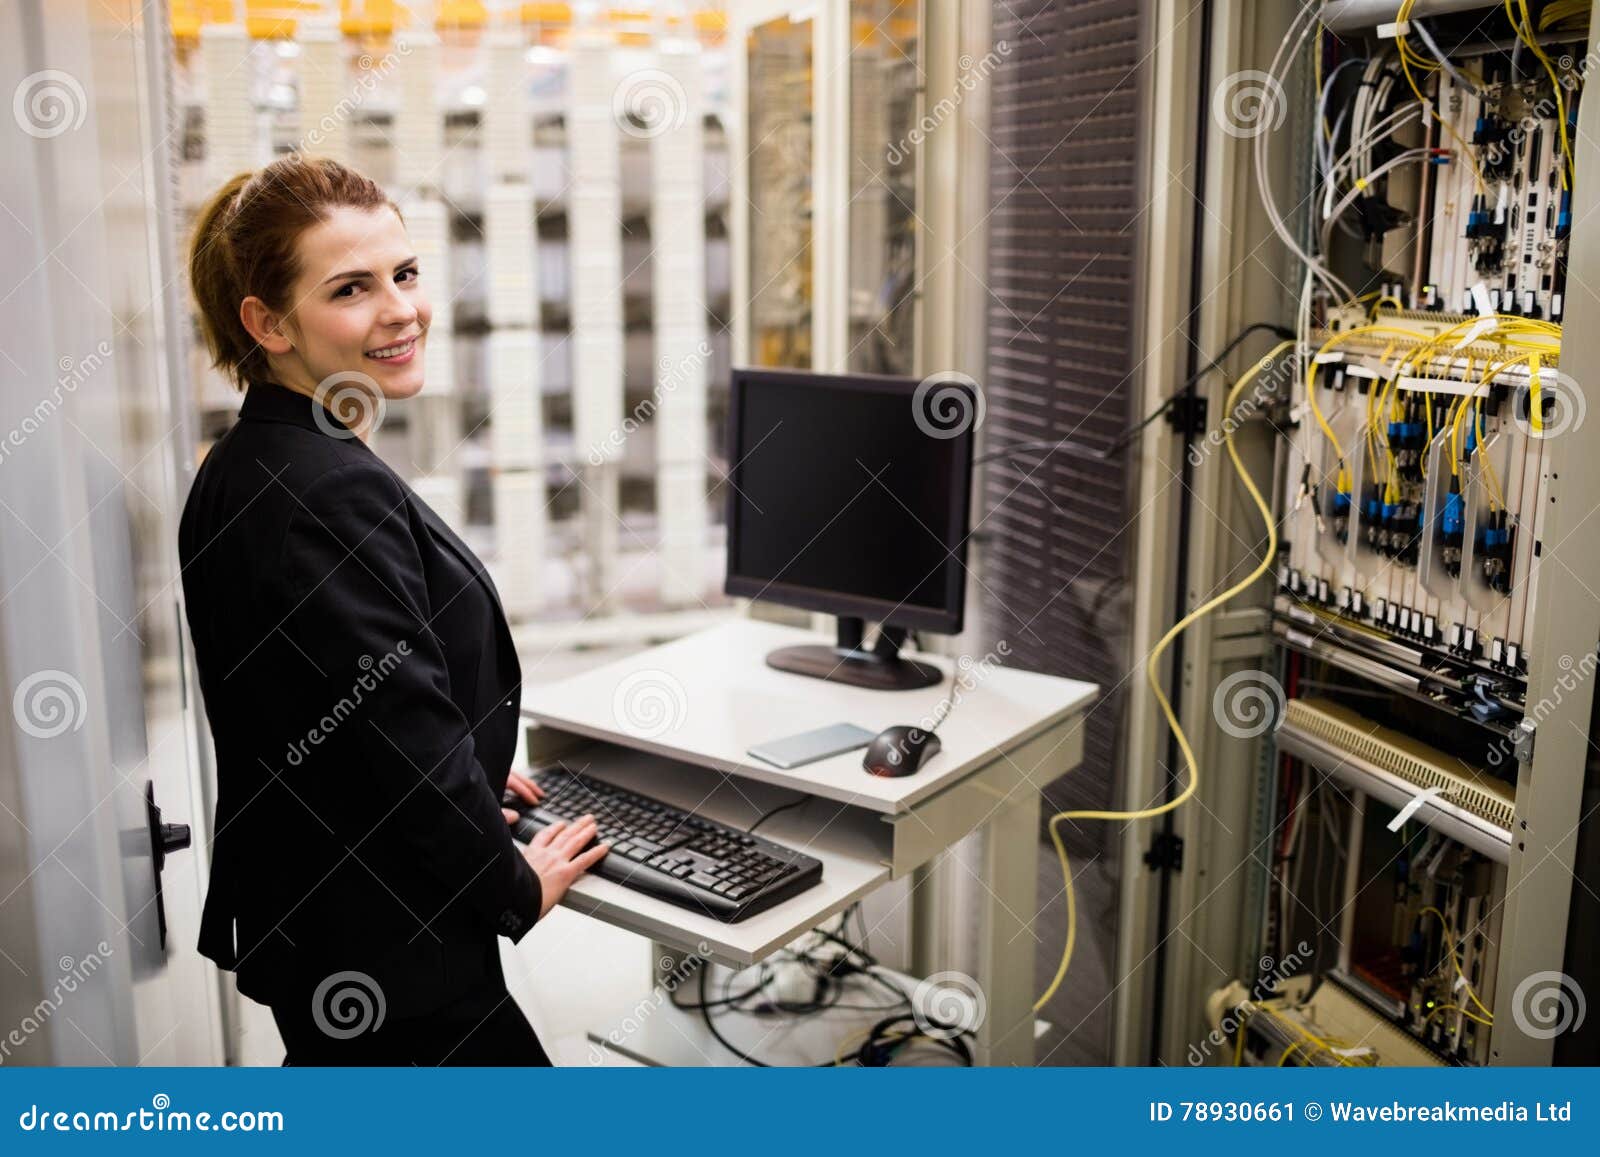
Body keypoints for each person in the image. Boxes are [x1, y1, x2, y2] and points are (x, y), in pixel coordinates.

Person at [178, 155, 608, 1065]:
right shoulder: (328, 489)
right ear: (268, 323)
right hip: (391, 957)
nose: (401, 310)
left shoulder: (246, 460)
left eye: (405, 274)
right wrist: (512, 884)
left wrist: (474, 772)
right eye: (351, 288)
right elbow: (400, 723)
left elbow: (326, 708)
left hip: (327, 932)